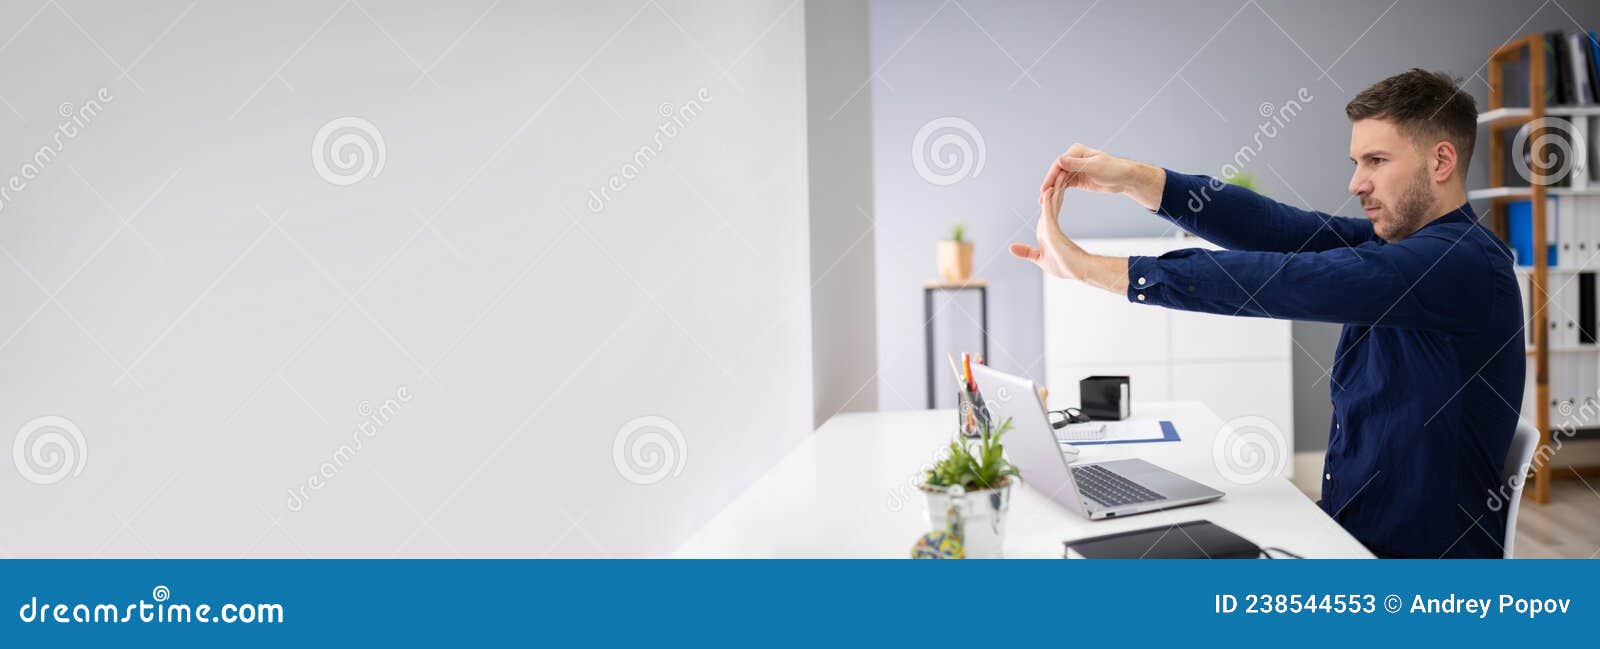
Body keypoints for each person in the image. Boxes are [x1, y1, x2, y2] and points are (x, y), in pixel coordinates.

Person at [1012, 69, 1523, 558]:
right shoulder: (1401, 248)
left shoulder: (1463, 265)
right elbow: (1280, 230)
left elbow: (1287, 283)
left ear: (1440, 162)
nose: (1356, 184)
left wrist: (1087, 269)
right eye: (1356, 163)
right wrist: (1133, 178)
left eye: (1376, 161)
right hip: (1347, 537)